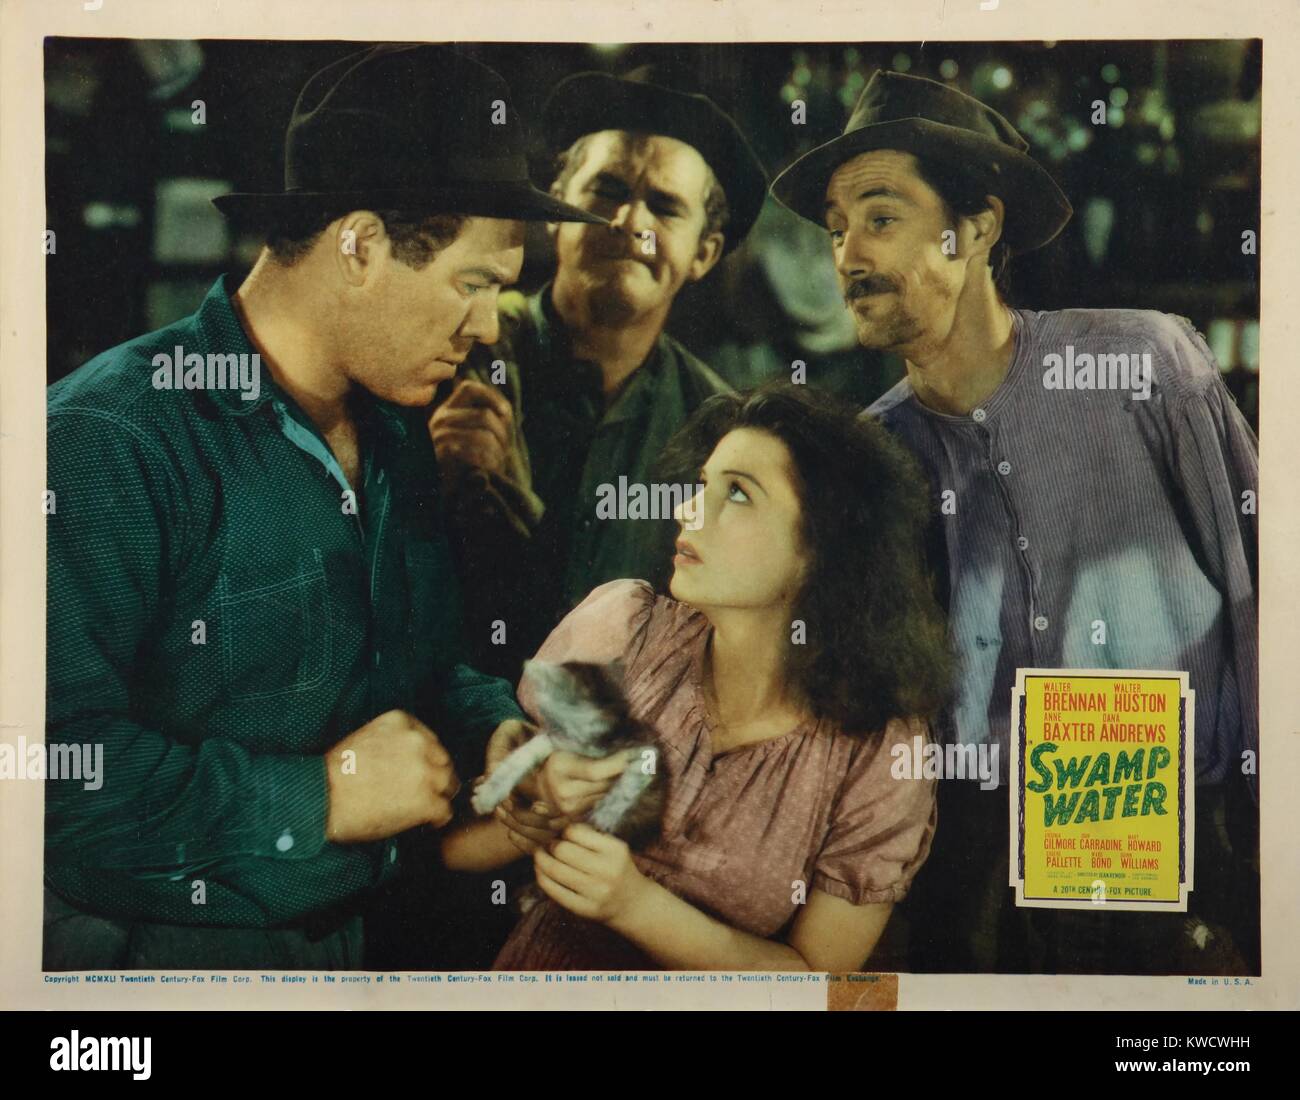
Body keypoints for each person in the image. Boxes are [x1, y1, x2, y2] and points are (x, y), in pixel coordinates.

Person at [42, 44, 609, 970]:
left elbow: (422, 666)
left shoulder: (393, 429)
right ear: (359, 244)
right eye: (476, 284)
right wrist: (322, 799)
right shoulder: (108, 442)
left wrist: (494, 737)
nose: (490, 327)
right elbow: (50, 778)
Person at [770, 70, 1260, 974]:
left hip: (1189, 847)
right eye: (837, 230)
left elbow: (1263, 587)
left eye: (880, 218)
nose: (845, 255)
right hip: (977, 877)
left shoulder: (1144, 365)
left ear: (977, 228)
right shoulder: (876, 454)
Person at [441, 384, 953, 970]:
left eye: (737, 493)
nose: (689, 511)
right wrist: (532, 808)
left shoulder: (880, 752)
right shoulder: (620, 627)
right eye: (702, 486)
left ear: (824, 545)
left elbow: (822, 989)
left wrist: (635, 906)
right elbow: (456, 851)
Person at [428, 63, 769, 683]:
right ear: (556, 209)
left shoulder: (723, 432)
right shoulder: (447, 360)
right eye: (608, 191)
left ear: (704, 254)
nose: (630, 221)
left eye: (665, 208)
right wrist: (429, 484)